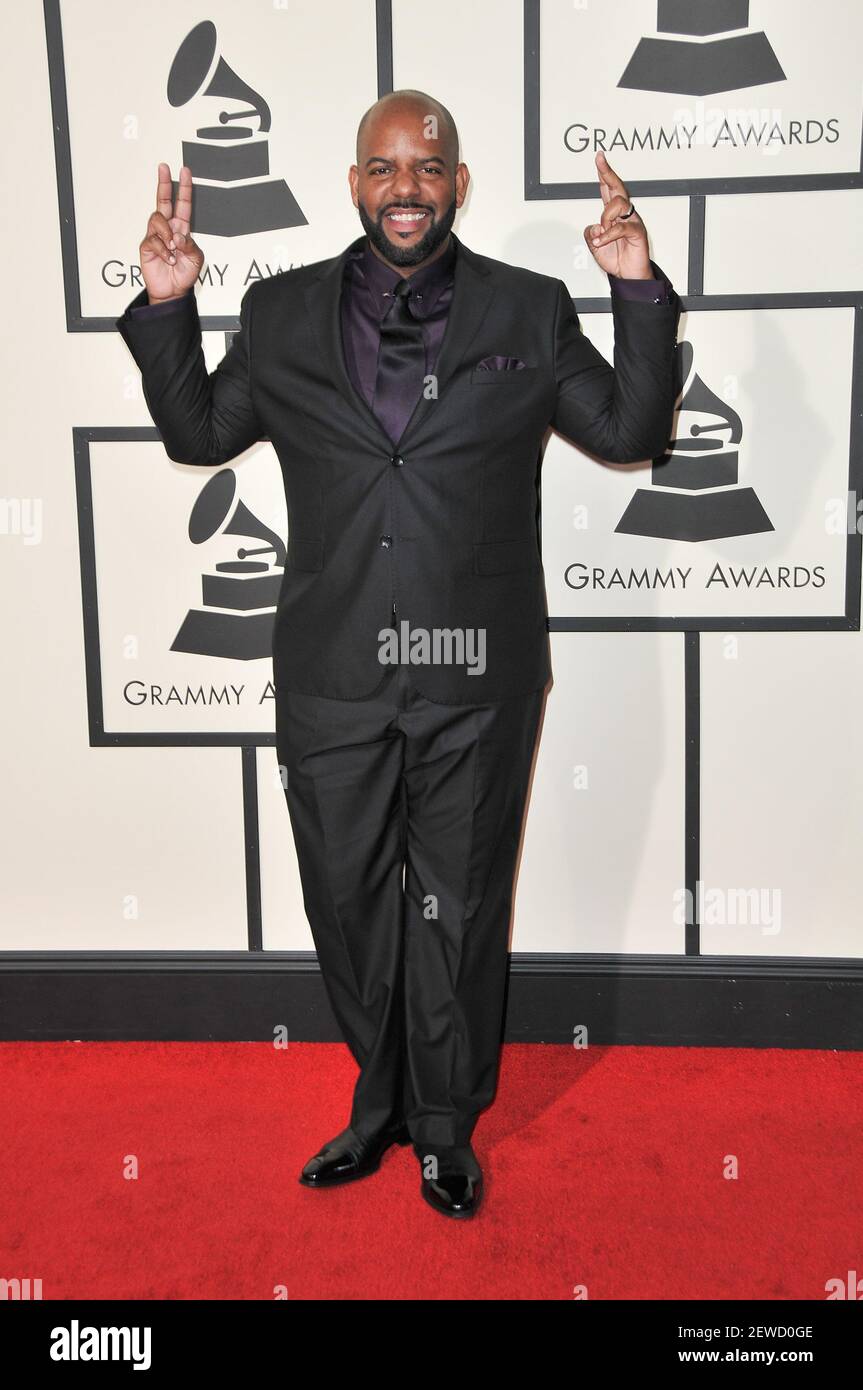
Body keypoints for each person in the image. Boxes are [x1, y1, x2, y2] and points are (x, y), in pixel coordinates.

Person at [116, 89, 681, 1220]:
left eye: (426, 167)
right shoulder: (277, 315)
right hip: (331, 673)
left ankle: (444, 1125)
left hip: (478, 673)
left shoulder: (526, 310)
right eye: (383, 167)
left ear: (459, 183)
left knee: (460, 905)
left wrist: (631, 285)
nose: (406, 187)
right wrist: (169, 307)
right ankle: (375, 1101)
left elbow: (629, 434)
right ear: (354, 185)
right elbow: (198, 437)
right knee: (350, 899)